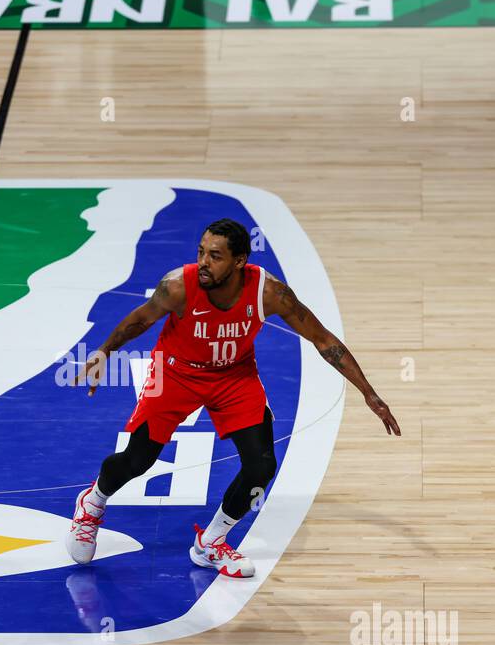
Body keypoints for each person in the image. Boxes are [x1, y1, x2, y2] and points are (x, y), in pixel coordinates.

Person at [67, 219, 400, 577]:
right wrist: (103, 352)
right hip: (177, 372)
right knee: (138, 459)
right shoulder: (179, 285)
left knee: (262, 465)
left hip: (233, 375)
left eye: (215, 256)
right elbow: (141, 320)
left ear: (239, 261)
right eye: (201, 252)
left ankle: (211, 542)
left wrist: (369, 392)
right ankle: (93, 501)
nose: (204, 262)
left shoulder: (269, 292)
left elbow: (322, 339)